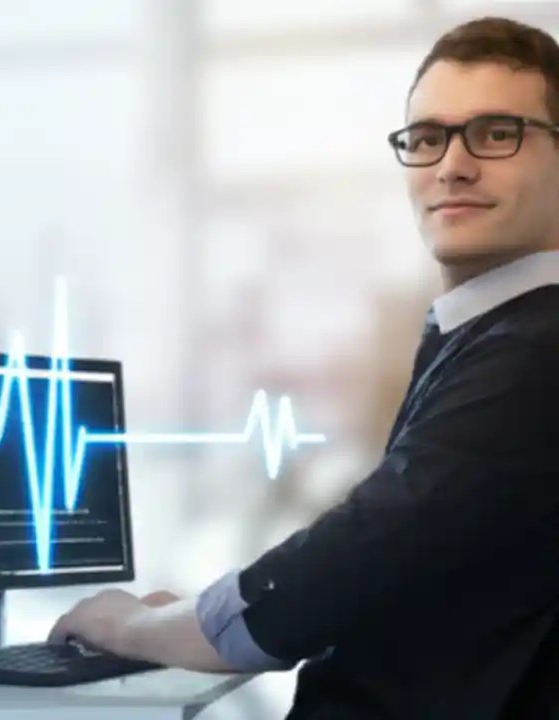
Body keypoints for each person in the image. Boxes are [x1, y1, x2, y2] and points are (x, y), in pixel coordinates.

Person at [48, 15, 559, 719]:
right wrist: (186, 618)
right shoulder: (488, 331)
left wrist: (134, 627)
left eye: (497, 134)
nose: (452, 165)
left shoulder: (538, 350)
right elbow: (417, 564)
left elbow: (362, 552)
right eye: (427, 138)